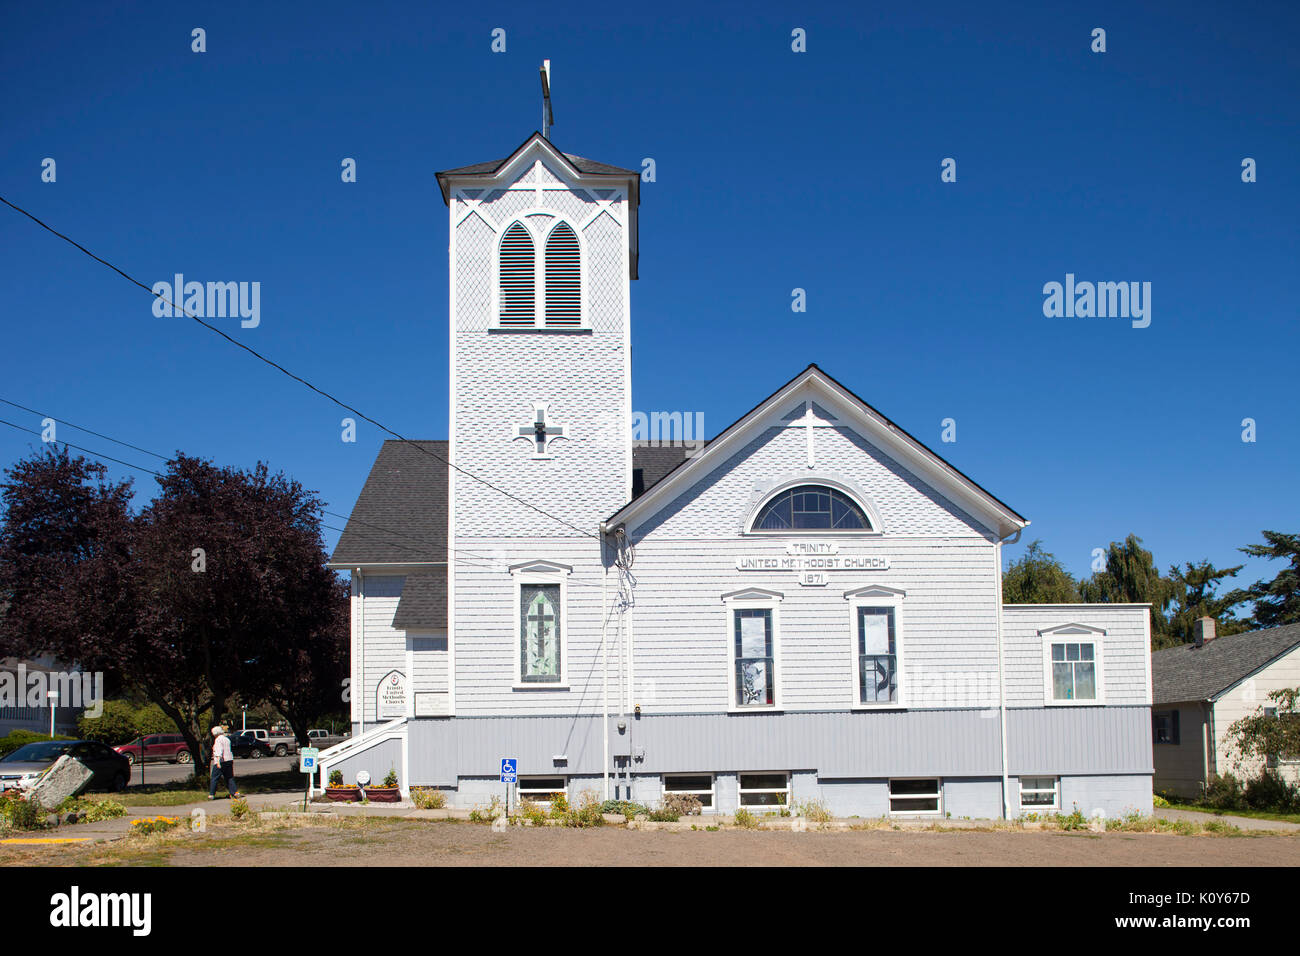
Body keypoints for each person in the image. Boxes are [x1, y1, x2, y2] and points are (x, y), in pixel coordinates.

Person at [207, 725, 242, 800]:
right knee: (229, 777)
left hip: (221, 761)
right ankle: (235, 792)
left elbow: (219, 750)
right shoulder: (227, 739)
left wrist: (218, 762)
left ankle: (212, 794)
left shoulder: (218, 740)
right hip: (229, 760)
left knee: (214, 778)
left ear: (215, 734)